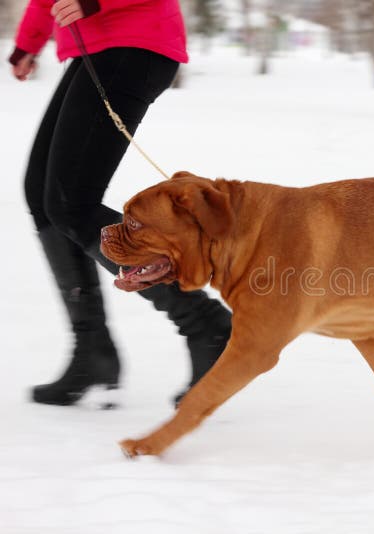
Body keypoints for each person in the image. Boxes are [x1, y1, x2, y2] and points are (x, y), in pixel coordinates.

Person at [9, 0, 231, 406]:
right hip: (96, 47)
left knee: (70, 202)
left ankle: (206, 325)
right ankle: (92, 347)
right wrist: (28, 43)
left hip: (134, 43)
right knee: (45, 198)